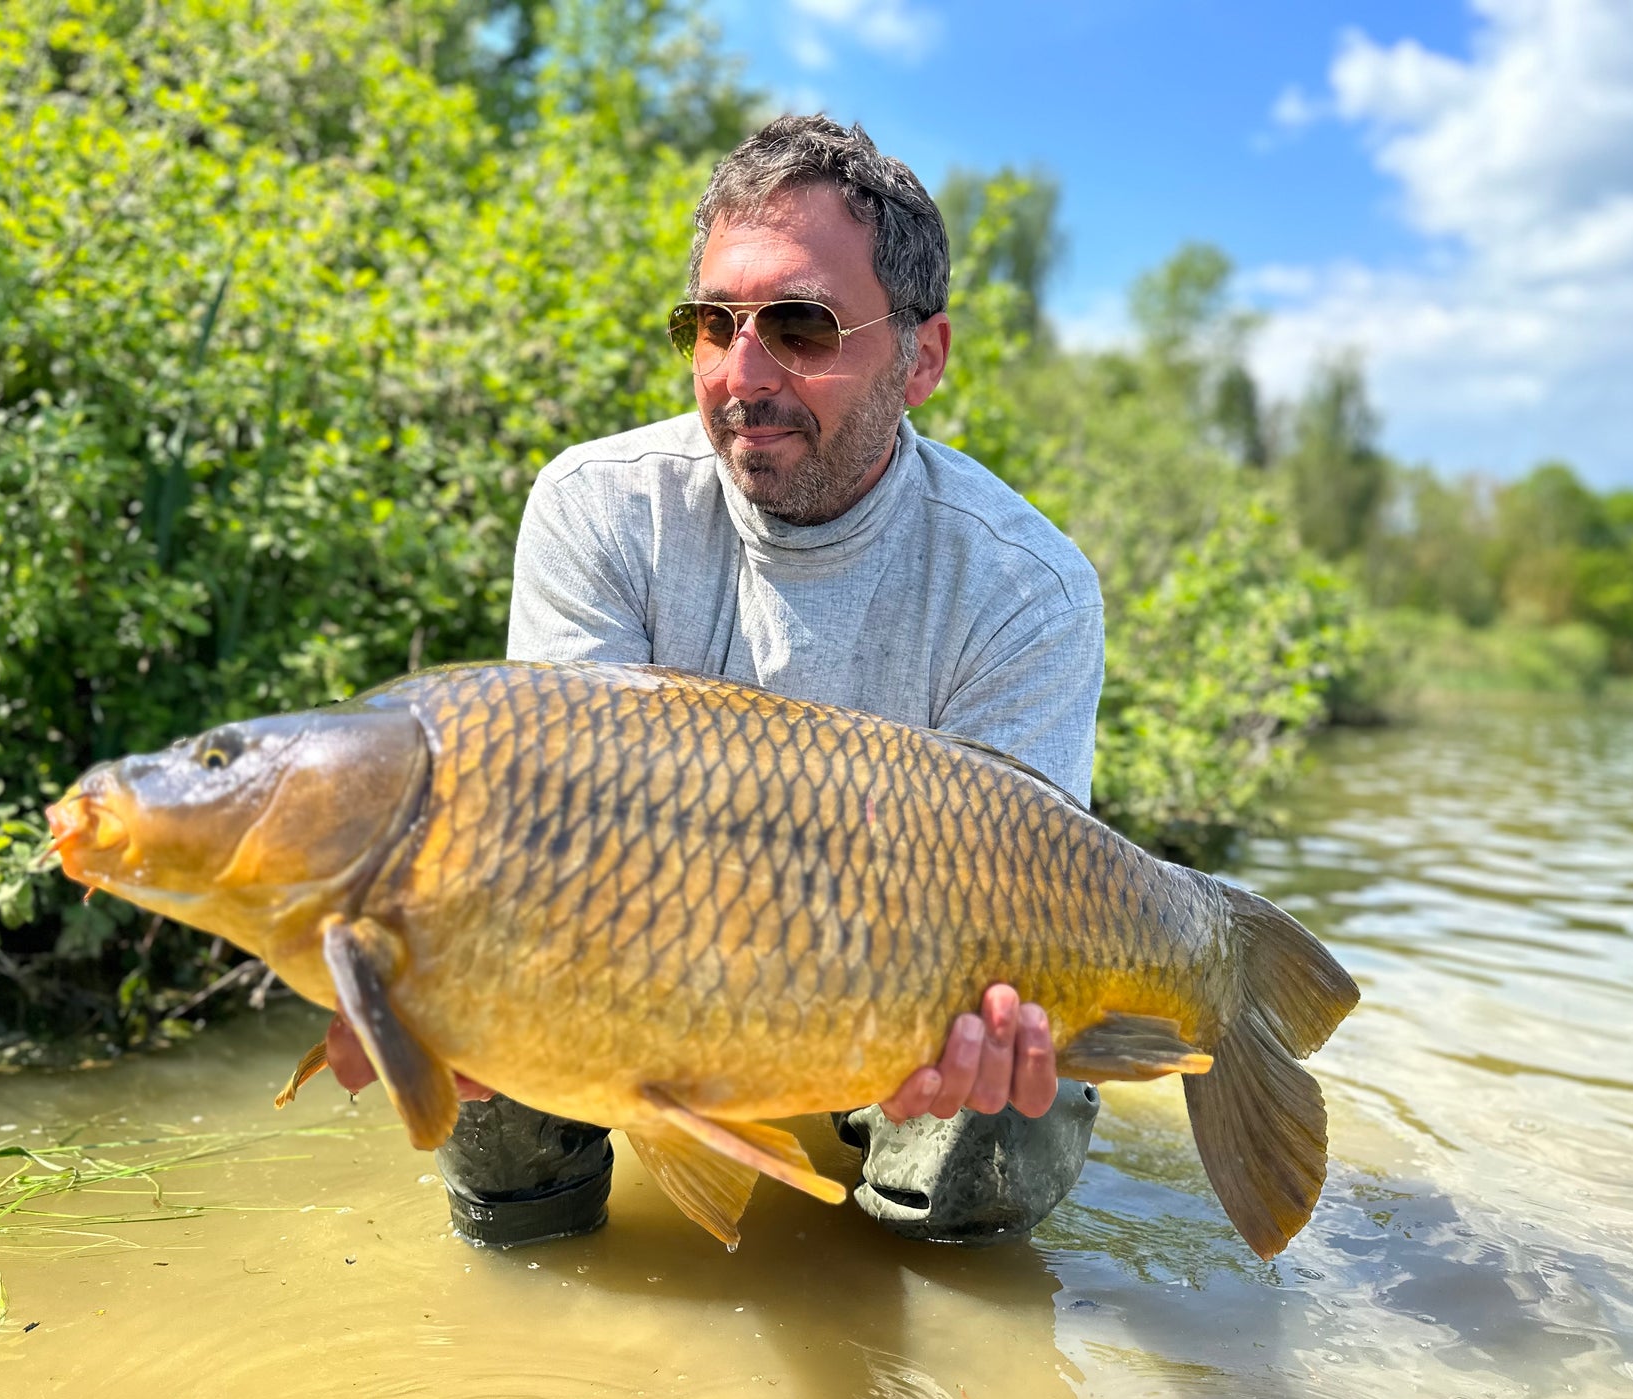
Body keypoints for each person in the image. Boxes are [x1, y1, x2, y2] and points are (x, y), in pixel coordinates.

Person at [354, 114, 1106, 1248]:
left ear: (925, 357)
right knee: (480, 1000)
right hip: (636, 964)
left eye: (799, 326)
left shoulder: (1027, 586)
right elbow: (549, 850)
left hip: (898, 999)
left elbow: (1030, 902)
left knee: (992, 1122)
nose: (741, 375)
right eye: (713, 324)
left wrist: (970, 1028)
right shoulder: (596, 505)